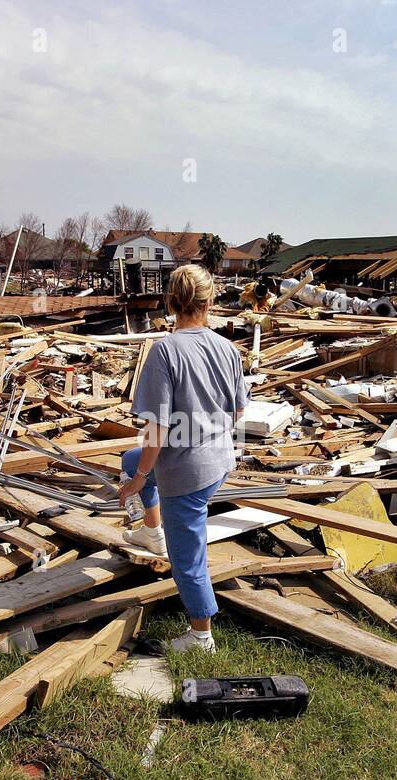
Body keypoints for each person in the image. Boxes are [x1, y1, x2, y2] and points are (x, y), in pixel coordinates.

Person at [119, 264, 247, 654]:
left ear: (171, 302)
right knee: (130, 458)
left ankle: (200, 635)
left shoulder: (165, 351)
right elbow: (238, 411)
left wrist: (140, 480)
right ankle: (152, 532)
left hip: (185, 474)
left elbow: (156, 430)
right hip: (219, 460)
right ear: (209, 302)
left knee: (188, 559)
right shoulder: (226, 348)